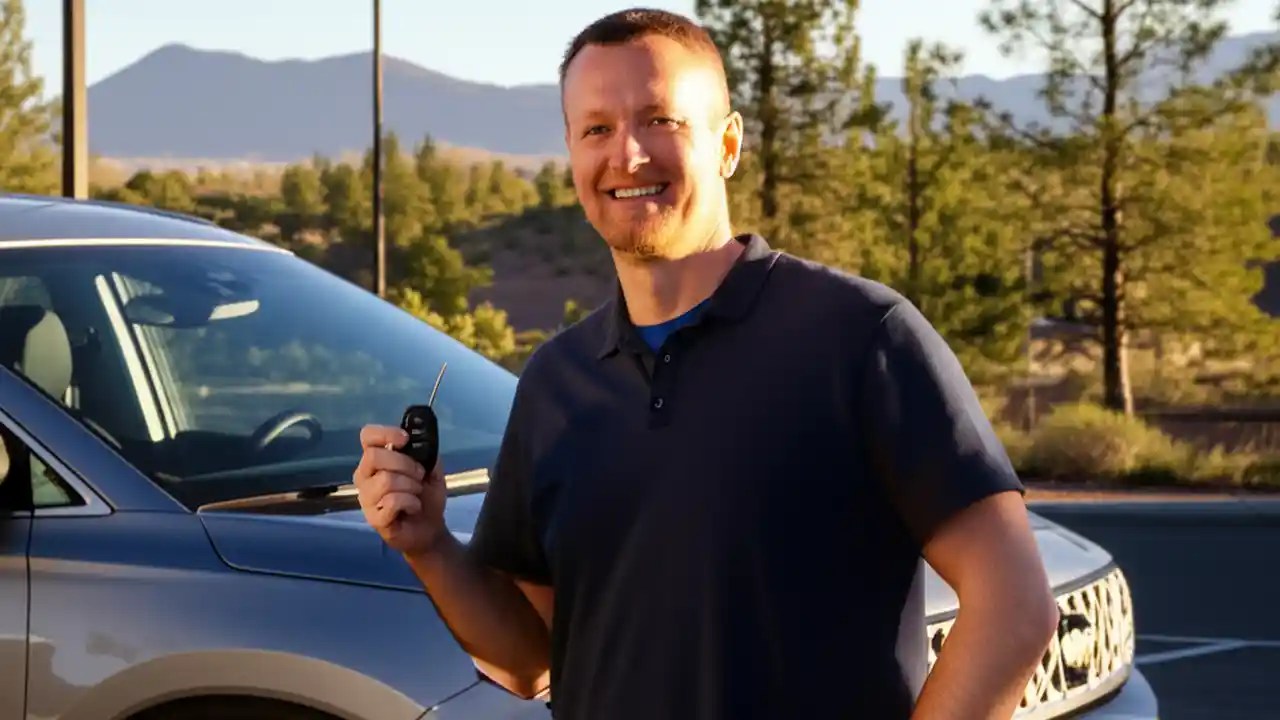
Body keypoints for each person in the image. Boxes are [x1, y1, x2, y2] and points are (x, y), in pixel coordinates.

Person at [353, 8, 1059, 720]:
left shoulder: (859, 336)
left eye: (660, 119)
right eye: (597, 129)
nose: (627, 155)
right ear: (572, 156)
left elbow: (1015, 606)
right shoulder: (557, 382)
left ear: (727, 143)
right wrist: (431, 547)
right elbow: (530, 657)